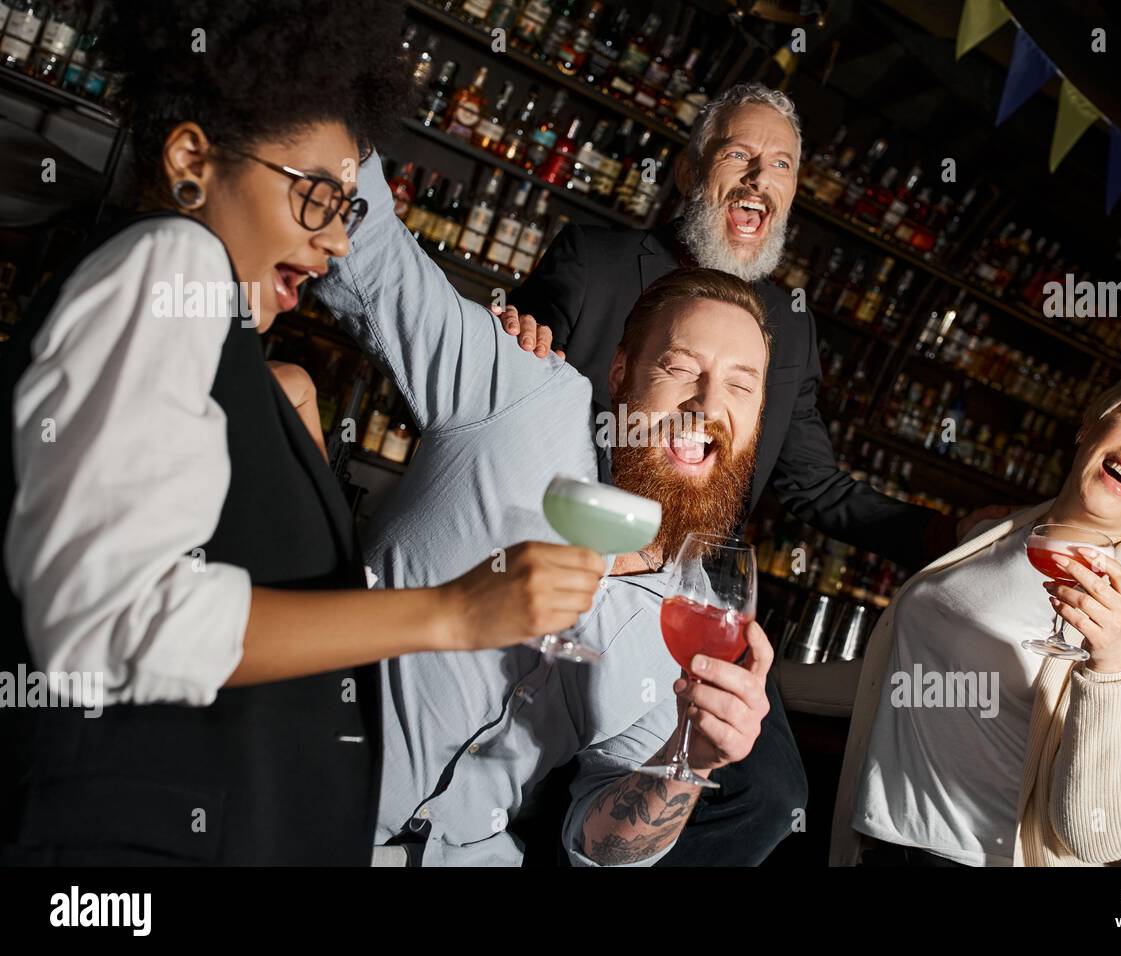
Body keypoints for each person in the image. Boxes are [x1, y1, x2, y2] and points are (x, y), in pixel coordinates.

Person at [0, 0, 603, 866]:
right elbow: (107, 622)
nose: (330, 244)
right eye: (316, 197)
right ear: (191, 162)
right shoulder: (168, 261)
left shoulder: (222, 340)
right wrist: (447, 613)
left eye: (348, 212)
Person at [496, 82, 1007, 864]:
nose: (758, 175)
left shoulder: (790, 327)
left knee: (770, 798)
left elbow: (814, 484)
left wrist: (950, 532)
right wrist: (513, 341)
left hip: (687, 594)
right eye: (738, 152)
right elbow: (508, 391)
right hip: (562, 559)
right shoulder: (594, 261)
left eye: (781, 164)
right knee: (536, 761)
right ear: (689, 168)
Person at [312, 151, 775, 865]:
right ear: (621, 372)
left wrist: (692, 763)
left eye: (740, 388)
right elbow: (371, 258)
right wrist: (340, 86)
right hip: (297, 805)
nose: (707, 406)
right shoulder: (518, 391)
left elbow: (600, 843)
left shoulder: (694, 625)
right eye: (681, 368)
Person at [777, 368, 1121, 866]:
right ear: (1090, 425)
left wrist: (1112, 667)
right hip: (878, 846)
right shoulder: (993, 533)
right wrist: (764, 680)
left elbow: (1102, 836)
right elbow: (903, 680)